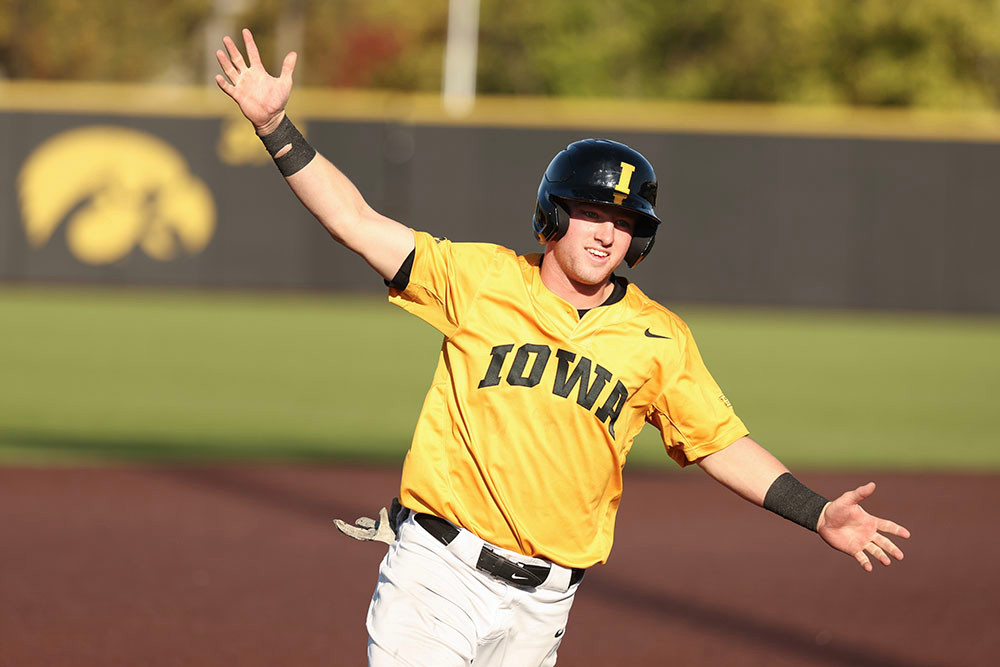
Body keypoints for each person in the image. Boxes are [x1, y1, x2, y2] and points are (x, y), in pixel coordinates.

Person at [215, 29, 911, 667]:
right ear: (554, 213)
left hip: (543, 606)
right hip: (437, 574)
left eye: (624, 221)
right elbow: (355, 221)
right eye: (592, 212)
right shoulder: (480, 279)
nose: (606, 233)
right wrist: (275, 127)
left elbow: (719, 442)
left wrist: (817, 511)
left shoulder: (659, 337)